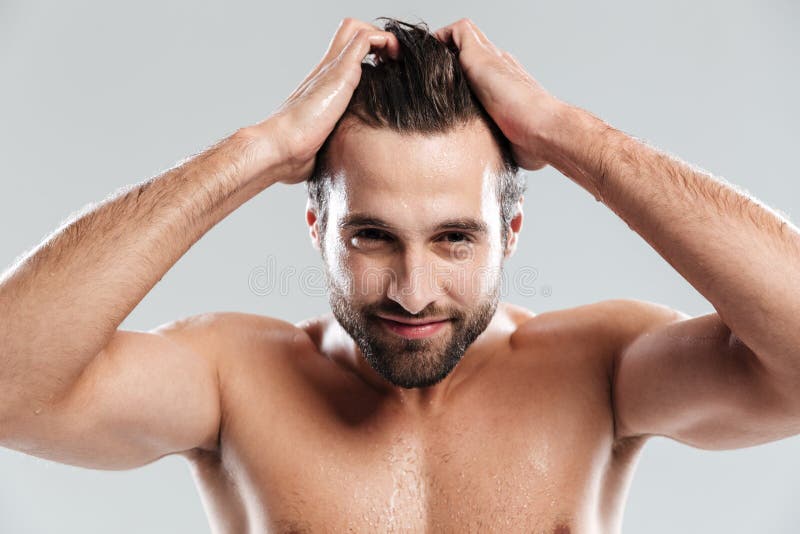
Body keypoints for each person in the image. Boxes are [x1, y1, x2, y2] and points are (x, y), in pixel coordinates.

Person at [0, 15, 798, 533]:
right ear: (316, 226)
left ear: (511, 231)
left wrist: (570, 136)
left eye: (454, 238)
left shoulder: (602, 371)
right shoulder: (233, 384)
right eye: (373, 236)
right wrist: (264, 149)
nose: (413, 292)